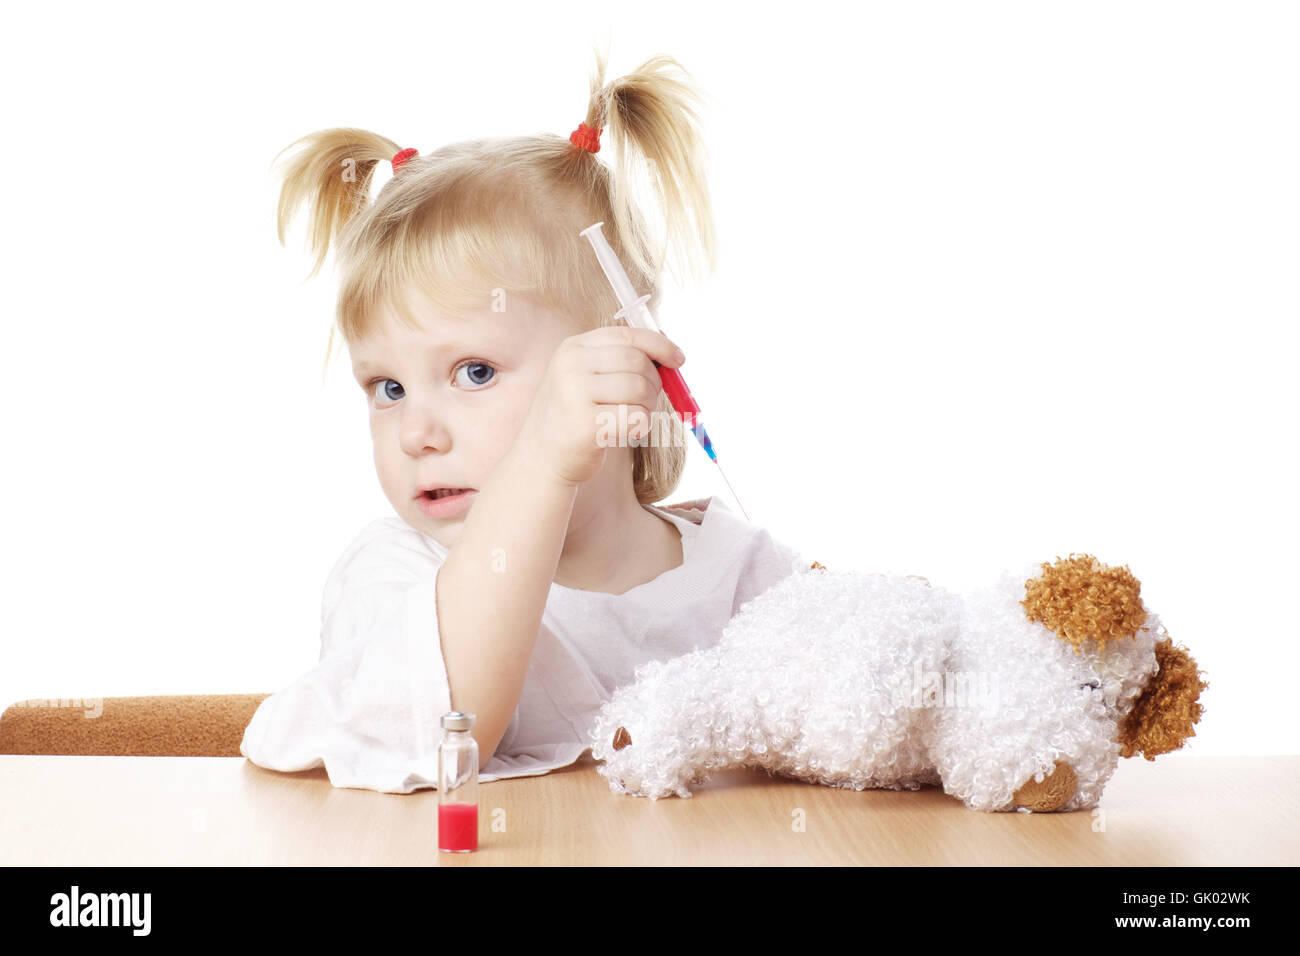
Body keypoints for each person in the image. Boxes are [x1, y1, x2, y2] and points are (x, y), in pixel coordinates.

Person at [240, 50, 807, 793]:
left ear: (624, 356)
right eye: (387, 388)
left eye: (473, 373)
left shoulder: (741, 573)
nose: (417, 434)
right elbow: (454, 728)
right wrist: (538, 462)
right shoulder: (399, 578)